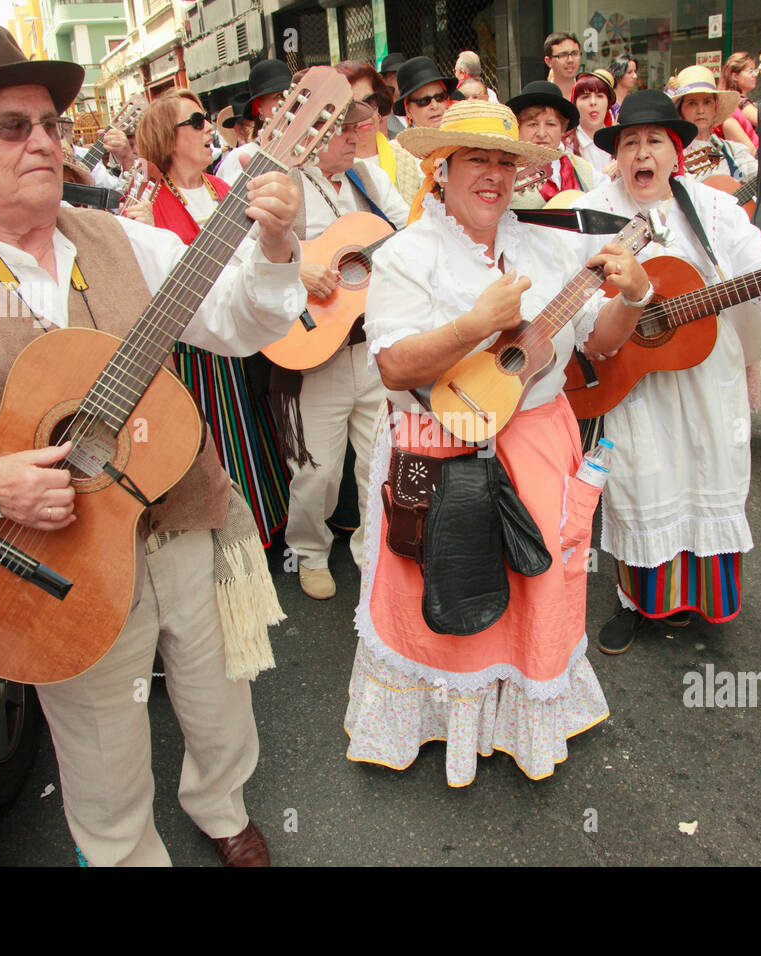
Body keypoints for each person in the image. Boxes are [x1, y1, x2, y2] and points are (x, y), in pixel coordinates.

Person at [0, 25, 306, 866]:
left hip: (183, 522)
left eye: (50, 123)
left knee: (222, 697)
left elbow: (241, 325)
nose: (42, 141)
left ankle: (221, 806)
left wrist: (278, 247)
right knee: (103, 748)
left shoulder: (126, 241)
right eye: (11, 126)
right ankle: (124, 854)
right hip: (56, 567)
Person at [345, 100, 651, 786]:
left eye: (505, 161)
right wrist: (472, 326)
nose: (493, 175)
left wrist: (634, 295)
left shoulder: (551, 245)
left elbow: (599, 343)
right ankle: (438, 723)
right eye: (476, 159)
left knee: (536, 580)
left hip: (538, 438)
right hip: (433, 440)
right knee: (435, 579)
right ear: (441, 168)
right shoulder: (405, 255)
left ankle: (520, 719)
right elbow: (394, 366)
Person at [566, 91, 761, 654]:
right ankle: (635, 602)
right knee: (641, 481)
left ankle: (694, 599)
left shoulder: (714, 209)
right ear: (616, 155)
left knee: (703, 475)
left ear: (676, 152)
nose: (641, 153)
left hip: (705, 377)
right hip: (634, 382)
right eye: (630, 142)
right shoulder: (593, 212)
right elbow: (577, 301)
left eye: (654, 141)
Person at [138, 88, 295, 549]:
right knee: (210, 438)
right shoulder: (150, 205)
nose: (210, 128)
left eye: (206, 119)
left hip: (241, 337)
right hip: (188, 353)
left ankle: (260, 525)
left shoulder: (225, 190)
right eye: (196, 121)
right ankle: (218, 535)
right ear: (168, 139)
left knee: (249, 429)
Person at [280, 86, 410, 600]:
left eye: (357, 125)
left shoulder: (369, 177)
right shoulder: (283, 183)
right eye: (342, 128)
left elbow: (406, 233)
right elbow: (246, 262)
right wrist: (299, 271)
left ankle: (370, 551)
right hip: (313, 352)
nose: (356, 135)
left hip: (371, 342)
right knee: (318, 470)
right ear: (311, 136)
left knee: (379, 459)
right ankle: (309, 552)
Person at [668, 65, 761, 411]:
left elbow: (760, 180)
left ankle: (735, 411)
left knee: (740, 336)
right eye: (691, 103)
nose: (698, 110)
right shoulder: (671, 153)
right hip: (692, 257)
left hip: (731, 255)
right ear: (680, 109)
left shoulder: (731, 151)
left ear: (715, 108)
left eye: (705, 103)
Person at [506, 79, 594, 209]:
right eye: (533, 124)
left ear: (562, 129)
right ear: (518, 128)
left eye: (551, 124)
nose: (541, 133)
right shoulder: (506, 169)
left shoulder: (582, 168)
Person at [387, 57, 460, 207]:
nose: (434, 105)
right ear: (408, 110)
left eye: (439, 97)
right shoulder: (396, 151)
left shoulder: (464, 141)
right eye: (423, 101)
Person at [215, 59, 292, 186]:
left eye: (291, 94)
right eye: (279, 96)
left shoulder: (308, 150)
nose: (288, 101)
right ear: (259, 107)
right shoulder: (241, 156)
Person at [567, 70, 615, 180]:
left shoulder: (618, 141)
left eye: (599, 96)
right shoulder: (566, 145)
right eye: (585, 97)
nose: (593, 102)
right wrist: (603, 177)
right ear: (575, 104)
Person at [717, 52, 759, 151]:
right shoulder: (737, 102)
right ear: (735, 76)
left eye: (755, 70)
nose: (755, 75)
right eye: (750, 71)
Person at [544, 32, 582, 101]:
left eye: (575, 54)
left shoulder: (588, 95)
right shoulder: (542, 98)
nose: (570, 60)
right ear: (548, 61)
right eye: (563, 55)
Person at [379, 52, 407, 139]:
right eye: (396, 76)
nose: (402, 80)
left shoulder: (416, 106)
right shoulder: (380, 116)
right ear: (384, 80)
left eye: (404, 75)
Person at [607, 54, 639, 120]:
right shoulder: (608, 101)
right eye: (629, 72)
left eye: (635, 71)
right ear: (618, 73)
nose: (635, 76)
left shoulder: (635, 100)